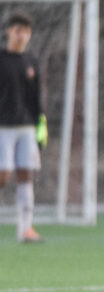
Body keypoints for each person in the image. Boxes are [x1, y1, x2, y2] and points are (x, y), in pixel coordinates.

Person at [0, 12, 47, 243]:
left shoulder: (31, 62)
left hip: (27, 127)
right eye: (18, 30)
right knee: (3, 174)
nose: (22, 36)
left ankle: (25, 229)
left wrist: (40, 128)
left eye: (26, 32)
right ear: (9, 31)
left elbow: (36, 99)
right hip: (3, 127)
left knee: (26, 175)